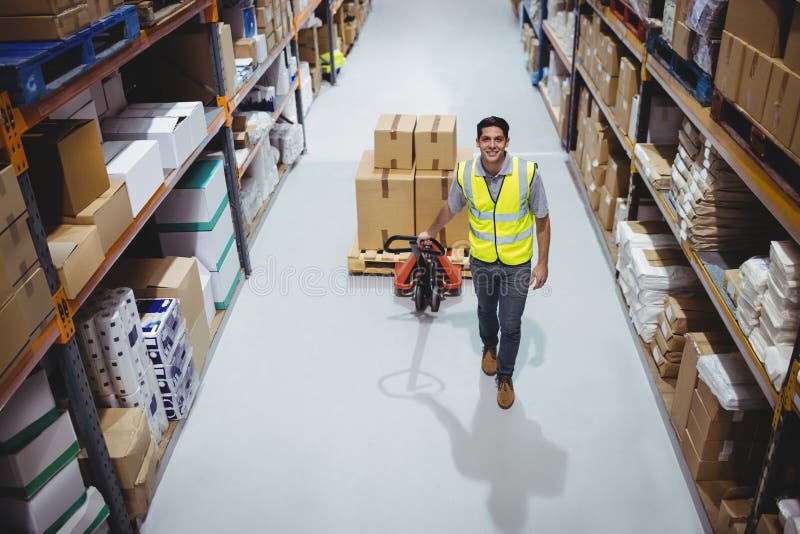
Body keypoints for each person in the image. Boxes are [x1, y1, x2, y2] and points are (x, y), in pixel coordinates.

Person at [417, 116, 551, 410]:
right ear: (477, 142)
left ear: (507, 142)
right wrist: (430, 231)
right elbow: (450, 207)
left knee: (512, 324)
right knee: (486, 311)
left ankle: (505, 376)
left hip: (517, 264)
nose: (492, 145)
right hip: (482, 262)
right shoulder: (465, 173)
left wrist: (542, 264)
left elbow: (542, 218)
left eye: (498, 139)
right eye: (486, 139)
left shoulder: (527, 173)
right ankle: (489, 345)